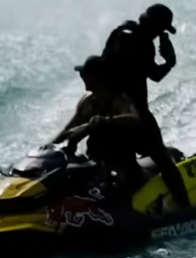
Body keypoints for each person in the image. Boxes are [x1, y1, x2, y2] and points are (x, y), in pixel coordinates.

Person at [100, 2, 190, 207]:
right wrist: (169, 61)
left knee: (121, 163)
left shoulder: (122, 31)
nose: (159, 34)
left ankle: (118, 208)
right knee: (164, 161)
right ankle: (185, 208)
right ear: (154, 25)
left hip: (107, 109)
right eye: (160, 30)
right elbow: (155, 75)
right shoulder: (137, 40)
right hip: (134, 113)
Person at [52, 55, 146, 200]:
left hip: (122, 164)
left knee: (118, 190)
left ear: (98, 77)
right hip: (95, 163)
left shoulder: (119, 100)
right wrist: (49, 146)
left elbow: (134, 119)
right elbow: (68, 129)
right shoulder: (87, 103)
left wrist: (106, 121)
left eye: (85, 74)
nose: (82, 77)